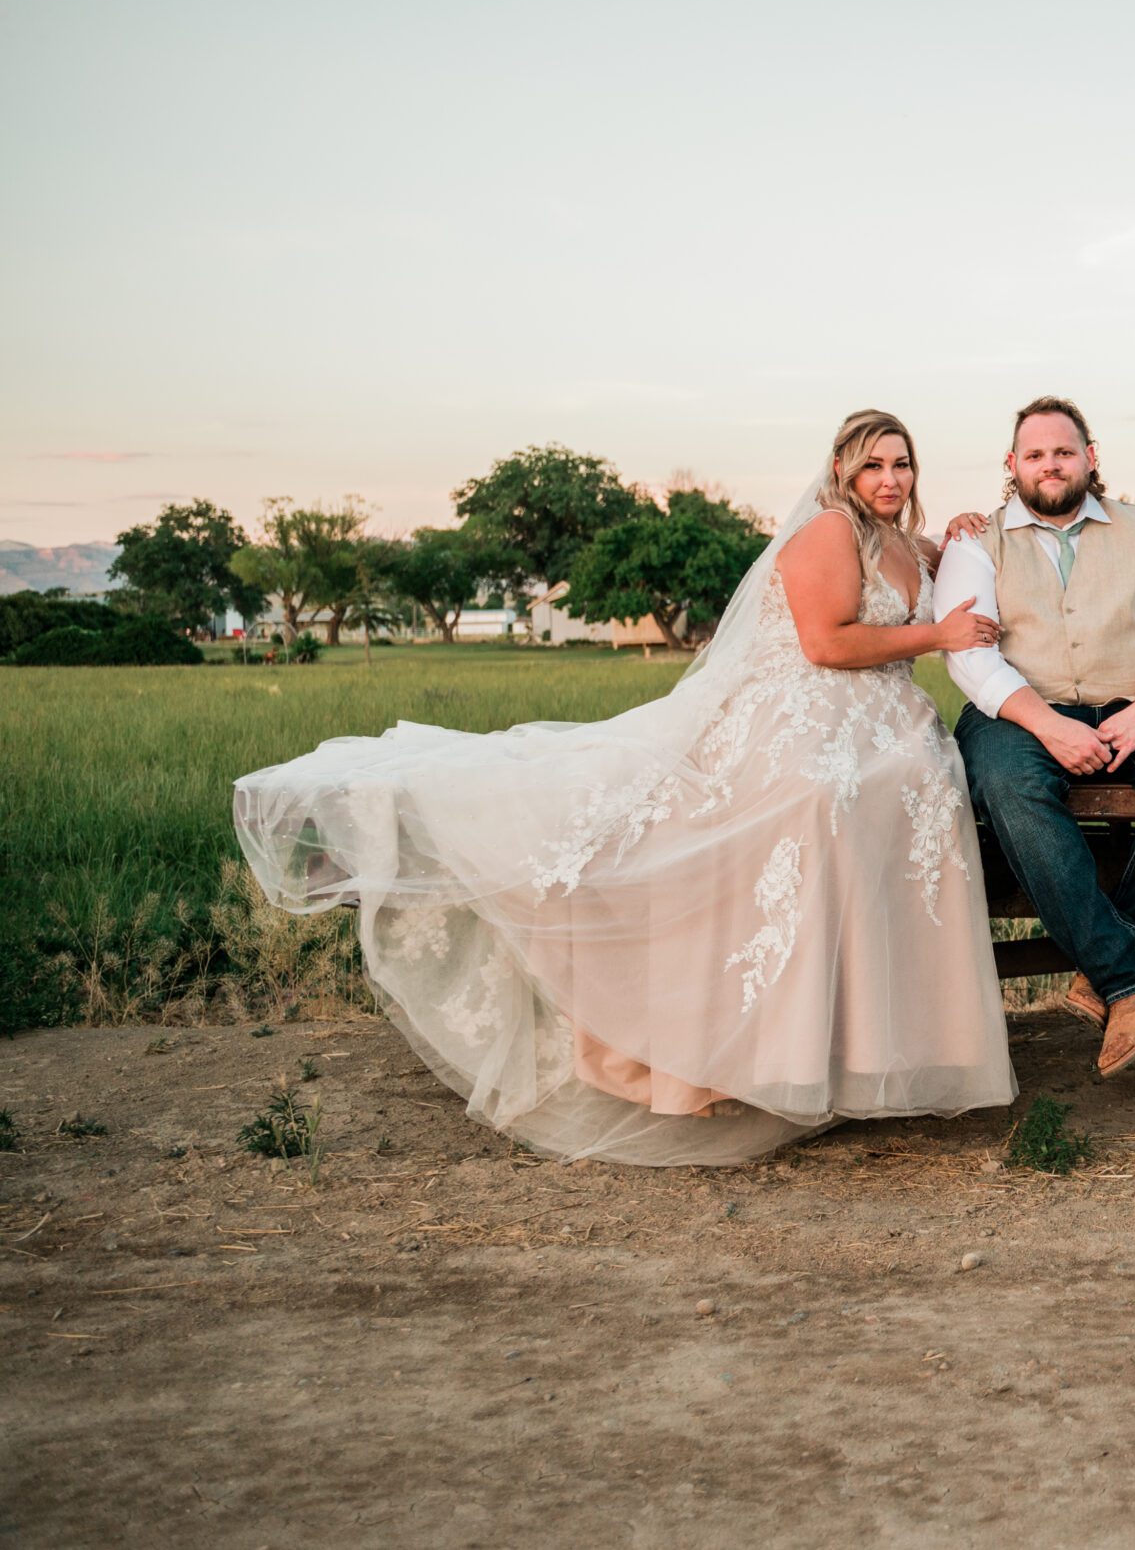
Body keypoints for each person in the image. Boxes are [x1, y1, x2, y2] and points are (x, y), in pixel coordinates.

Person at [232, 413, 1016, 1165]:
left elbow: (963, 571)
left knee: (875, 839)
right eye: (872, 462)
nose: (889, 476)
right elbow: (824, 641)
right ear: (841, 469)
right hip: (805, 718)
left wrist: (963, 533)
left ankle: (856, 1054)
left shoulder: (904, 541)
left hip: (886, 730)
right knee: (764, 827)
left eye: (901, 462)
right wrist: (937, 636)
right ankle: (728, 1053)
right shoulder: (830, 532)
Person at [935, 396, 1135, 1078]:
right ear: (1013, 466)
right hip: (1016, 707)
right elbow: (971, 655)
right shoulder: (973, 541)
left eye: (1064, 451)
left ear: (1090, 457)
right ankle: (1129, 975)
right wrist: (1047, 724)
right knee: (1011, 785)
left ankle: (1105, 971)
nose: (1051, 464)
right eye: (1036, 454)